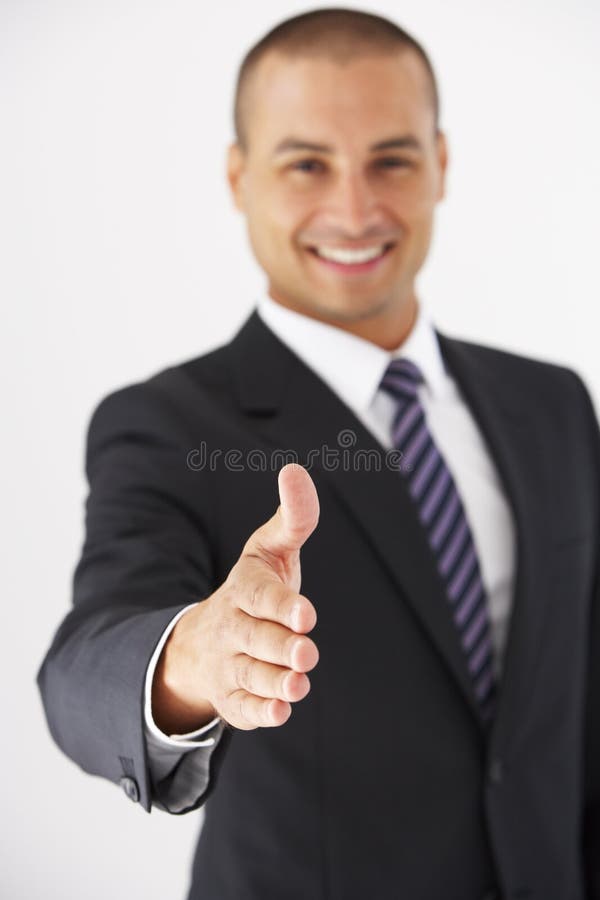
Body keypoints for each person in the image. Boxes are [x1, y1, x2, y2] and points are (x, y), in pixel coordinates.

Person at [37, 8, 600, 900]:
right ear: (239, 176)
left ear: (441, 165)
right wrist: (196, 655)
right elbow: (82, 670)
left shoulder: (554, 403)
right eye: (307, 164)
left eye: (392, 159)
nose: (354, 208)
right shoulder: (168, 425)